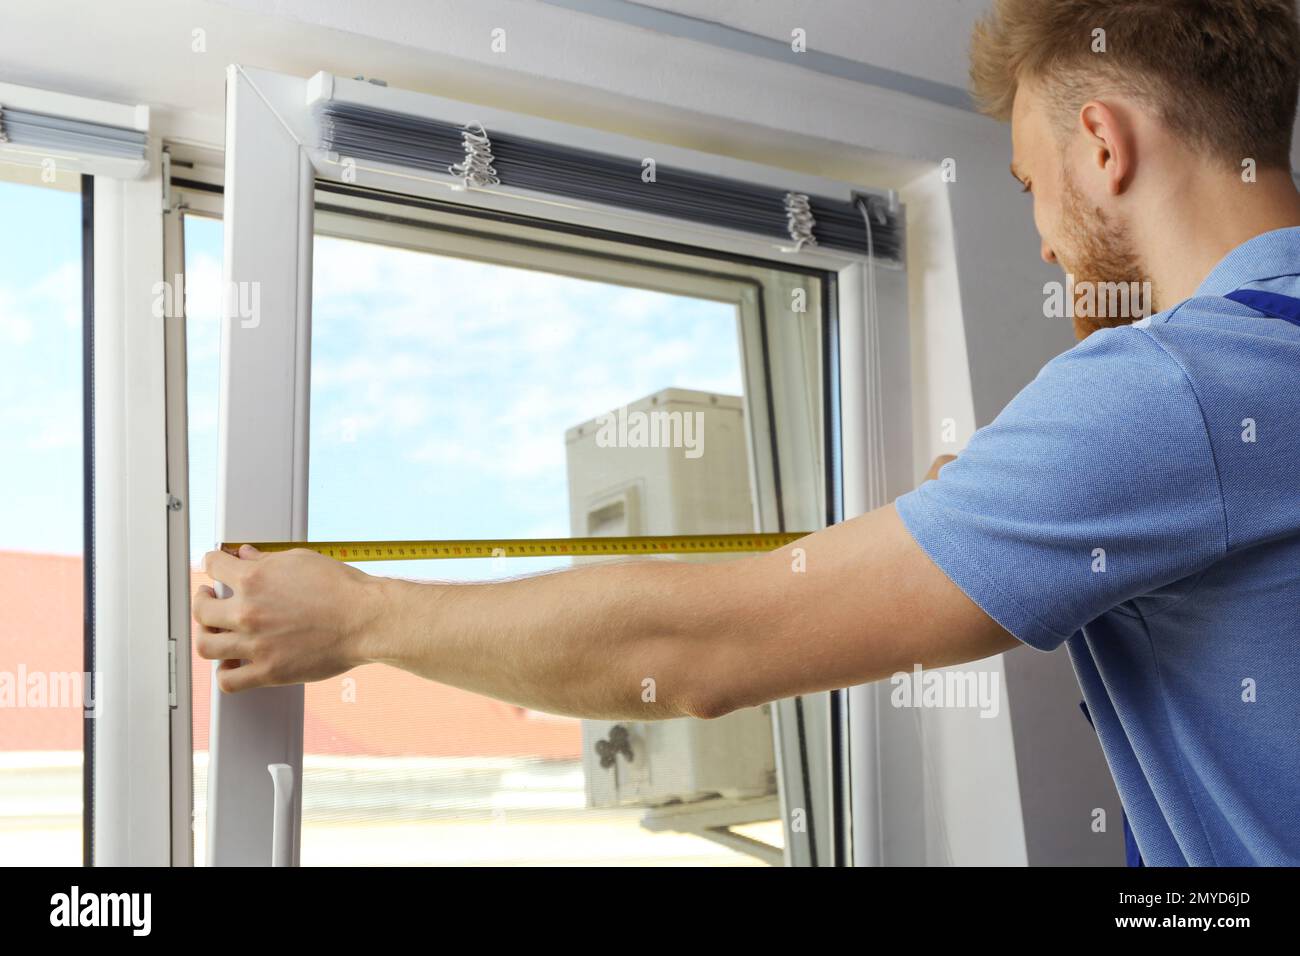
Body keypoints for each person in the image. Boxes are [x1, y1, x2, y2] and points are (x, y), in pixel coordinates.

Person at [195, 0, 1300, 866]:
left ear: (1102, 145)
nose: (1046, 243)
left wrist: (357, 615)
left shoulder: (1165, 393)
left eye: (1027, 184)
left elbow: (691, 657)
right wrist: (1020, 504)